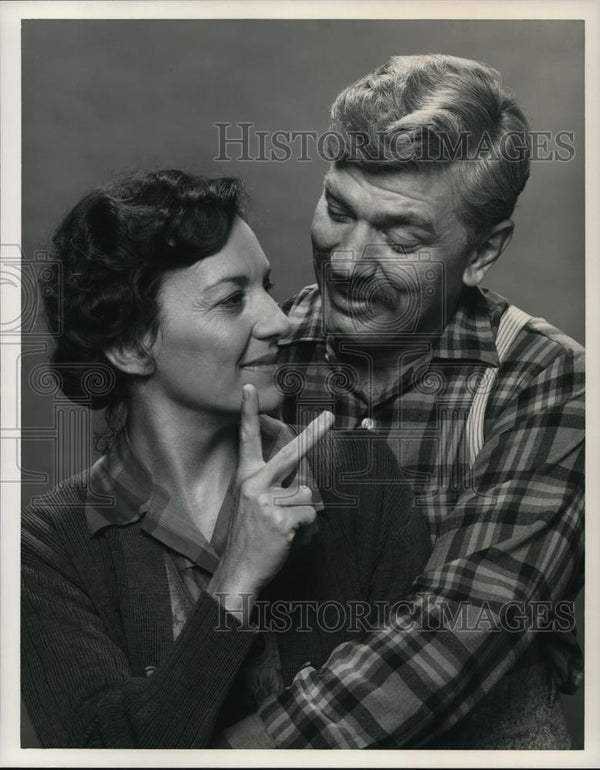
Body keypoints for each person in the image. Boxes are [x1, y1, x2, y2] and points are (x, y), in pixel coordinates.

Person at [217, 55, 584, 749]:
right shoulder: (265, 352)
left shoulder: (549, 382)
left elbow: (459, 631)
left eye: (400, 236)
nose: (349, 262)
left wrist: (228, 757)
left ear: (482, 252)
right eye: (338, 209)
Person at [21, 169, 432, 747]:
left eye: (267, 286)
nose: (280, 320)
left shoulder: (358, 475)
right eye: (233, 299)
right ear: (131, 346)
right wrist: (238, 576)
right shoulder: (45, 547)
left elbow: (423, 706)